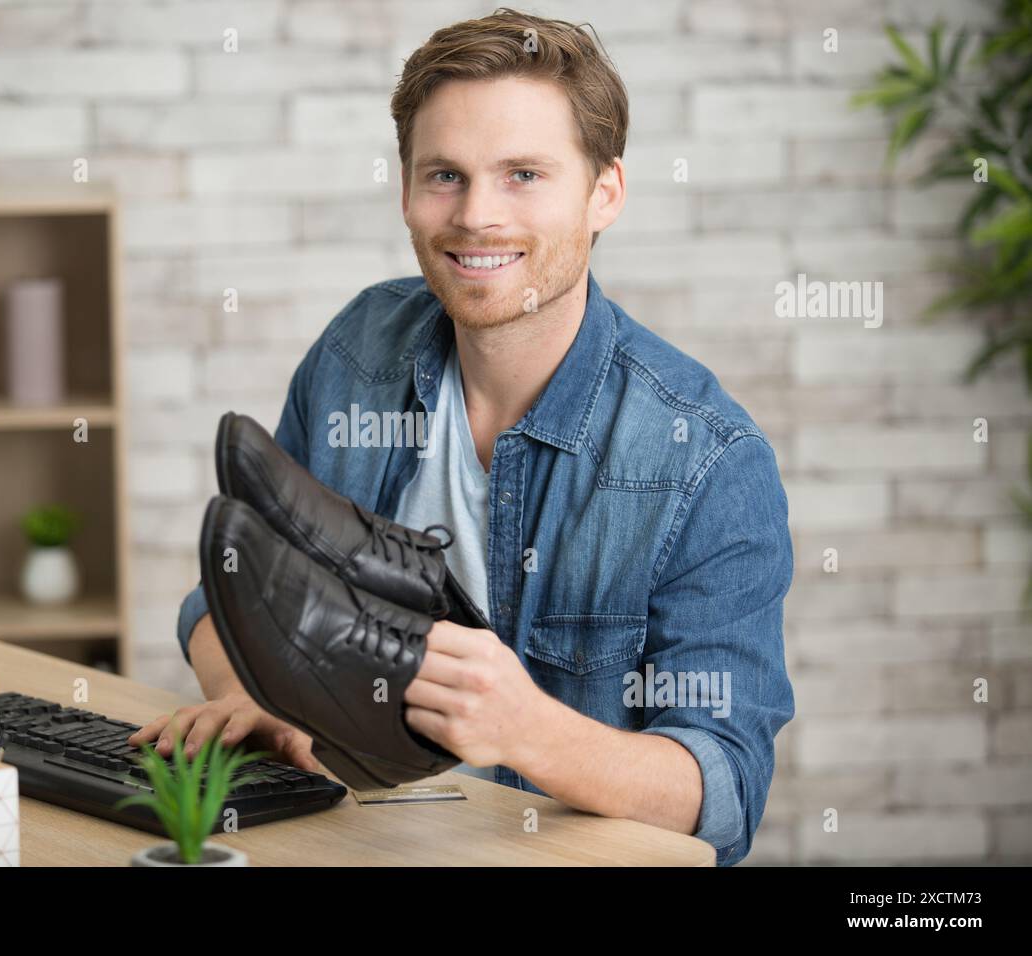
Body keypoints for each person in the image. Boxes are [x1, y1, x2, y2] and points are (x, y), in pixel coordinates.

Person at [130, 7, 794, 866]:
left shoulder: (708, 461)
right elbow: (227, 587)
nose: (477, 216)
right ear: (405, 189)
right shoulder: (355, 353)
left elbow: (725, 789)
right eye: (445, 174)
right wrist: (260, 690)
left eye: (523, 174)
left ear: (605, 194)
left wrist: (527, 729)